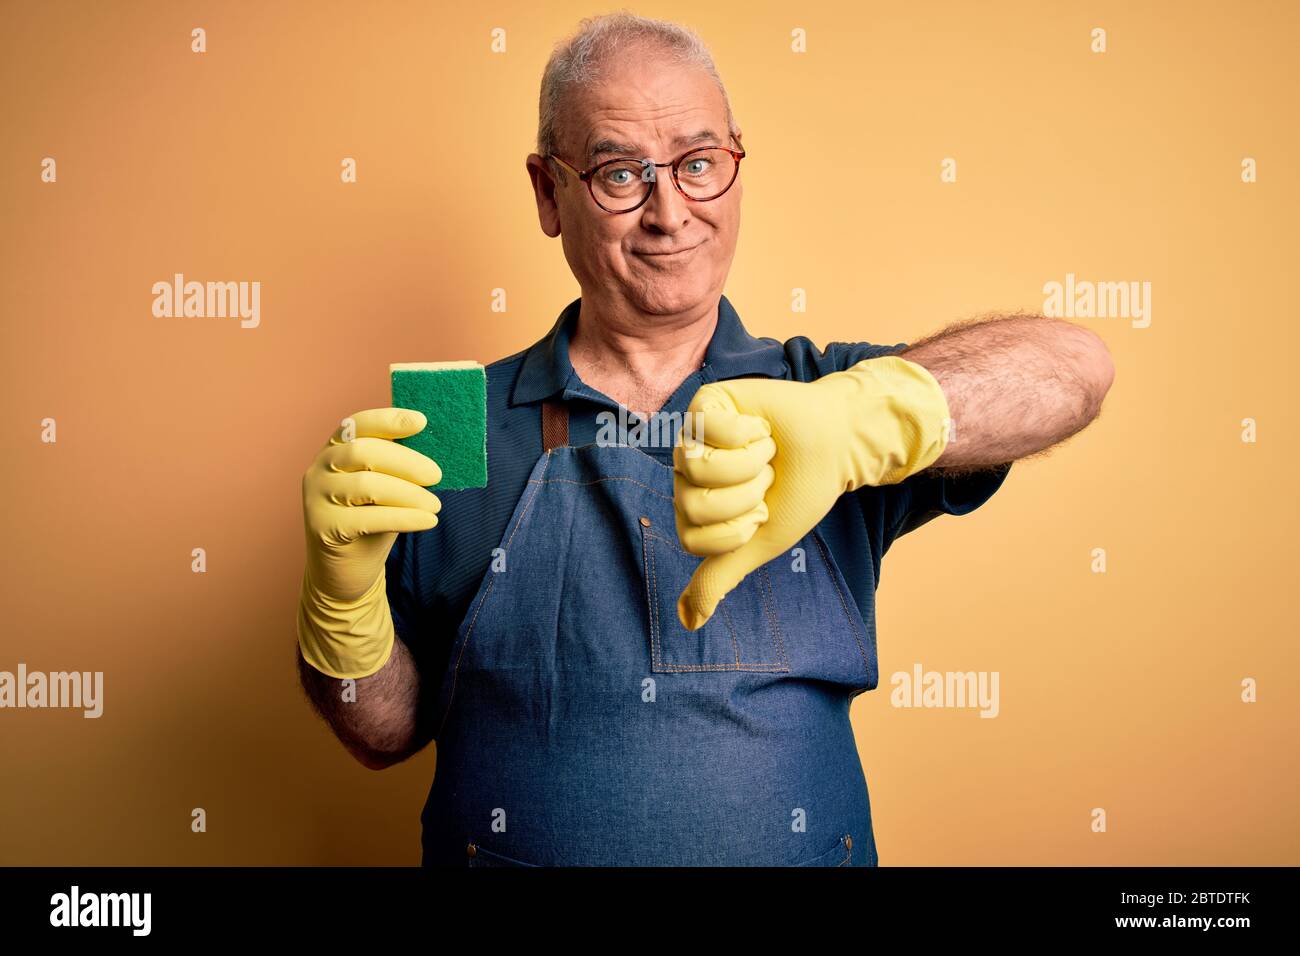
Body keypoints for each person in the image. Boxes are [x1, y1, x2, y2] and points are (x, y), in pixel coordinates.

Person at [296, 13, 1114, 867]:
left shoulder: (820, 395)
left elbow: (1074, 369)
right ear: (548, 193)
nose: (670, 212)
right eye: (620, 174)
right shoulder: (449, 426)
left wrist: (862, 420)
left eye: (698, 166)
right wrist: (340, 612)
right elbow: (384, 731)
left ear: (734, 167)